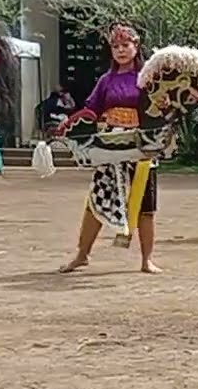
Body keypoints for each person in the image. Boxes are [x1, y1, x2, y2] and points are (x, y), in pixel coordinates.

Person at [60, 23, 162, 274]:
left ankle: (146, 259)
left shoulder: (149, 78)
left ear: (136, 47)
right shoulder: (106, 80)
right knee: (96, 201)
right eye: (115, 46)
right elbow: (91, 110)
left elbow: (160, 109)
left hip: (141, 145)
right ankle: (82, 255)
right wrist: (71, 122)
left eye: (125, 45)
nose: (120, 50)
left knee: (145, 206)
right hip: (110, 146)